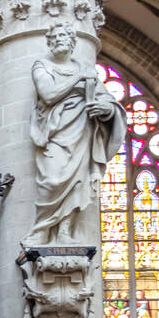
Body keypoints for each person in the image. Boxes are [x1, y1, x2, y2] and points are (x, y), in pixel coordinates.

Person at [26, 22, 126, 246]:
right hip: (55, 133)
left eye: (65, 36)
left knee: (77, 182)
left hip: (82, 132)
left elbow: (107, 101)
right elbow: (49, 94)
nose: (60, 39)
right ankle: (42, 229)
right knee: (52, 180)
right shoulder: (42, 66)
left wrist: (106, 110)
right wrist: (78, 78)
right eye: (56, 36)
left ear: (72, 43)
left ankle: (64, 231)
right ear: (50, 42)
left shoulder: (86, 71)